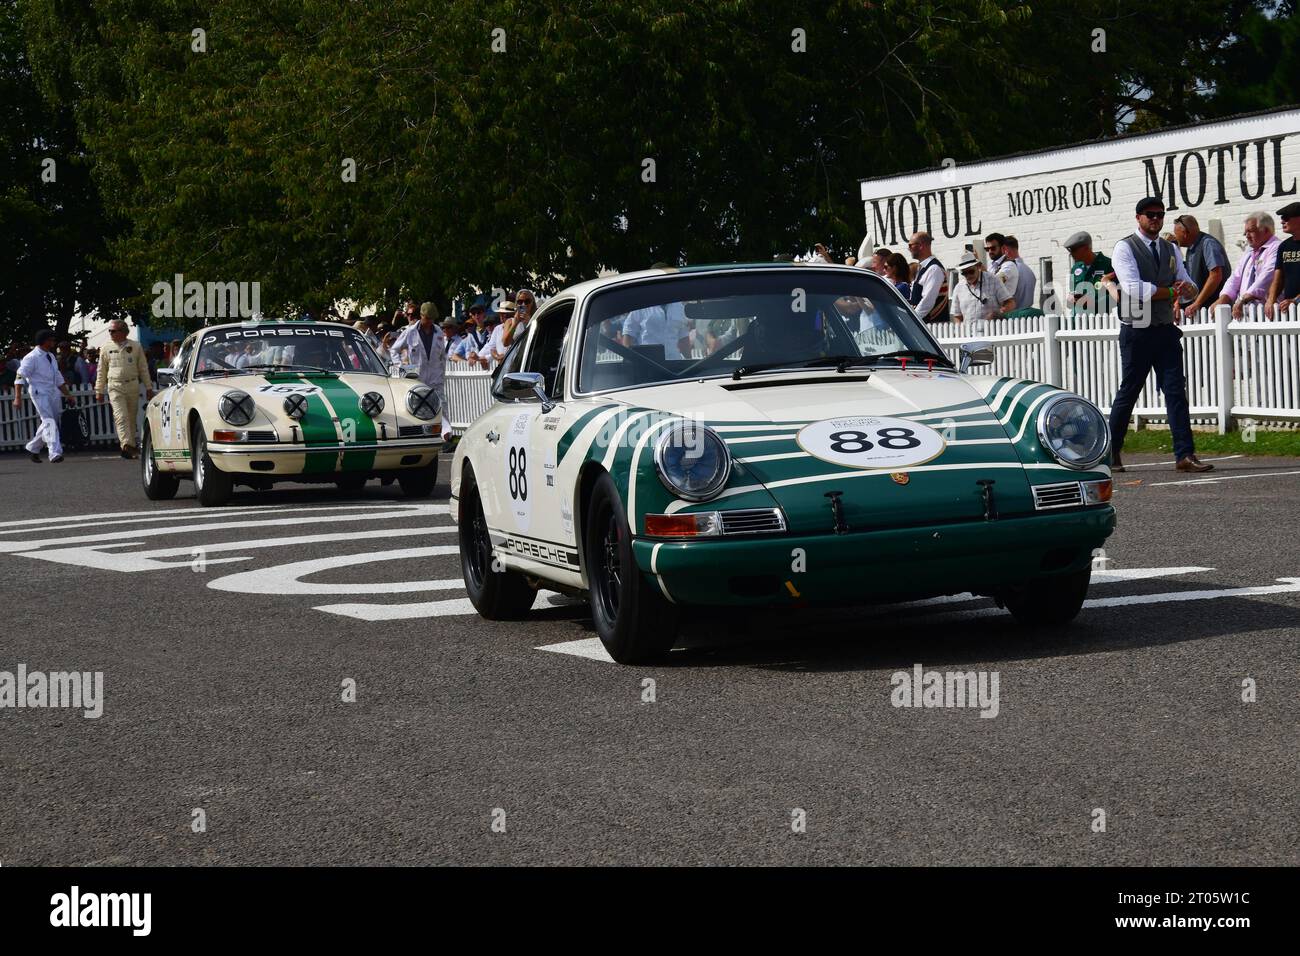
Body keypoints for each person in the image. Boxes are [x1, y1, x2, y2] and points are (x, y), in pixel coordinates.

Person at [1109, 196, 1211, 473]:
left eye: (1160, 214)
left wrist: (1188, 290)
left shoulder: (1170, 248)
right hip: (1137, 329)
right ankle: (1111, 451)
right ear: (1139, 217)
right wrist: (1171, 291)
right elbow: (1133, 288)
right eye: (1150, 214)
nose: (1155, 219)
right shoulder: (1124, 247)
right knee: (1129, 391)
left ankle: (1185, 455)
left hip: (1165, 328)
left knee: (1176, 391)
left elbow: (1187, 281)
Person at [95, 318, 154, 458]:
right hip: (115, 385)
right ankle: (127, 445)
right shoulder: (106, 347)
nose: (110, 333)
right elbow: (101, 370)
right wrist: (99, 390)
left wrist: (149, 387)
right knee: (120, 416)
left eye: (113, 331)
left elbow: (143, 369)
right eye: (110, 331)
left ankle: (130, 446)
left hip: (132, 384)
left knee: (131, 417)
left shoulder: (136, 346)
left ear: (123, 331)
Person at [13, 329, 71, 463]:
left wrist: (68, 395)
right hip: (39, 392)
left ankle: (33, 447)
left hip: (52, 392)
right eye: (51, 339)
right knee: (49, 421)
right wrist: (17, 397)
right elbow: (20, 375)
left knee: (49, 421)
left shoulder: (51, 356)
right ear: (45, 341)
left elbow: (58, 377)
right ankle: (55, 452)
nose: (53, 342)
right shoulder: (31, 357)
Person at [1214, 212, 1281, 319]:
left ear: (1266, 230)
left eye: (1250, 231)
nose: (1247, 236)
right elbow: (1235, 277)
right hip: (1247, 314)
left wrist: (1243, 299)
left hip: (1268, 314)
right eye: (1245, 233)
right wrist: (1224, 298)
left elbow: (1267, 276)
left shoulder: (1277, 248)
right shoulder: (1250, 252)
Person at [1172, 215, 1231, 319]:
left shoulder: (1208, 244)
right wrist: (1178, 302)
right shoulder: (1191, 249)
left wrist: (1197, 303)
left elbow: (1216, 275)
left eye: (1176, 234)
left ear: (1185, 233)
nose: (1175, 238)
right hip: (1202, 312)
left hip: (1215, 311)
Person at [950, 253, 1015, 333]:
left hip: (992, 332)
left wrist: (998, 314)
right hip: (969, 335)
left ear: (978, 266)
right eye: (964, 273)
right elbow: (957, 316)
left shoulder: (993, 280)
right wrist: (961, 332)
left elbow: (1010, 303)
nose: (968, 275)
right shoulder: (958, 288)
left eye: (971, 271)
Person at [1263, 201, 1300, 317]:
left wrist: (1296, 300)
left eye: (1286, 217)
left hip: (1294, 304)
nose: (1282, 221)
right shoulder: (1284, 246)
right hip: (1290, 310)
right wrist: (1270, 300)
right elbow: (1278, 279)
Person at [1064, 232, 1112, 315]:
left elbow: (1116, 296)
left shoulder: (1107, 265)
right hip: (1078, 320)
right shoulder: (1075, 268)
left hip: (1101, 320)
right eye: (1070, 251)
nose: (1071, 254)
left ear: (1086, 248)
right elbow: (1072, 292)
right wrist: (1070, 298)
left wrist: (1094, 303)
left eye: (1074, 250)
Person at [905, 231, 949, 323]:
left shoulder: (933, 269)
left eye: (910, 245)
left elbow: (928, 301)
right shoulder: (923, 268)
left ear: (920, 245)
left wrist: (913, 320)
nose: (908, 249)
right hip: (926, 324)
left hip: (933, 326)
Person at [983, 232, 1019, 300]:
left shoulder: (1009, 265)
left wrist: (980, 268)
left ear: (1003, 248)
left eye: (993, 248)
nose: (990, 251)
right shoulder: (992, 265)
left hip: (1006, 307)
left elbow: (994, 284)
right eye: (987, 249)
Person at [1003, 236, 1036, 309]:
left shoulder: (1010, 270)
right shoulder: (1029, 271)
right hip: (1028, 315)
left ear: (1006, 251)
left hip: (1013, 316)